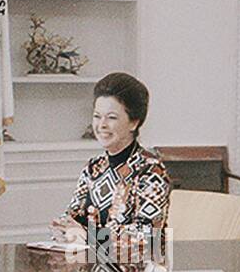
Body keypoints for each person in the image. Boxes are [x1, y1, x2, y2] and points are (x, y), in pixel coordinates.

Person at [51, 72, 171, 254]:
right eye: (97, 116)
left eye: (111, 117)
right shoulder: (93, 167)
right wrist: (63, 228)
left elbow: (148, 238)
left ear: (134, 123)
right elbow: (71, 216)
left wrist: (87, 235)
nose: (102, 125)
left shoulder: (150, 171)